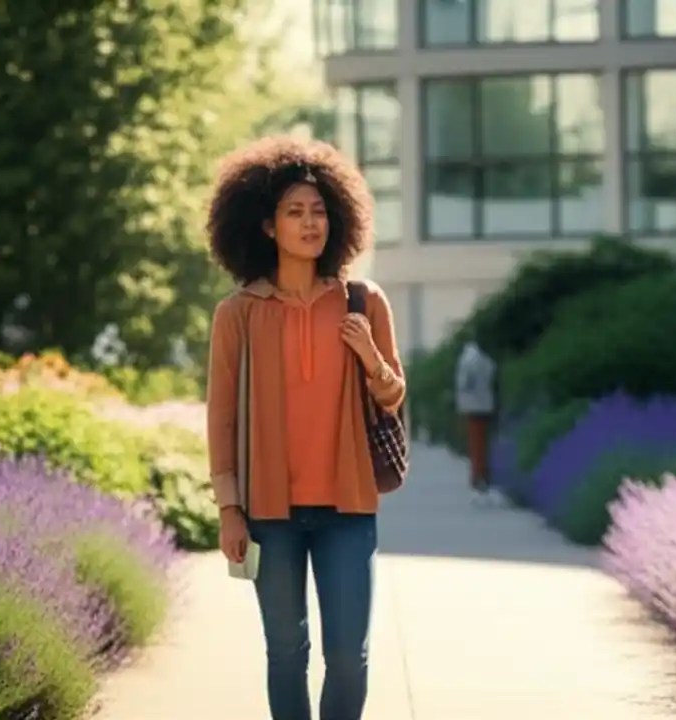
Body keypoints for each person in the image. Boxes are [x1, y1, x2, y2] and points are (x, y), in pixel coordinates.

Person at [204, 135, 406, 720]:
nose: (309, 222)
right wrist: (229, 509)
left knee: (349, 657)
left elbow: (392, 398)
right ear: (267, 227)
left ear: (336, 218)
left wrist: (371, 356)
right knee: (287, 653)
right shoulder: (238, 313)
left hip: (349, 508)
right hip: (271, 513)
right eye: (294, 212)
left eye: (318, 210)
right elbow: (221, 415)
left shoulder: (362, 302)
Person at [454, 335, 497, 503]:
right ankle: (484, 476)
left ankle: (476, 478)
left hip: (473, 406)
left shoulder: (467, 360)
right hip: (486, 405)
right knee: (484, 444)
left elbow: (463, 383)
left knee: (475, 445)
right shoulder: (486, 360)